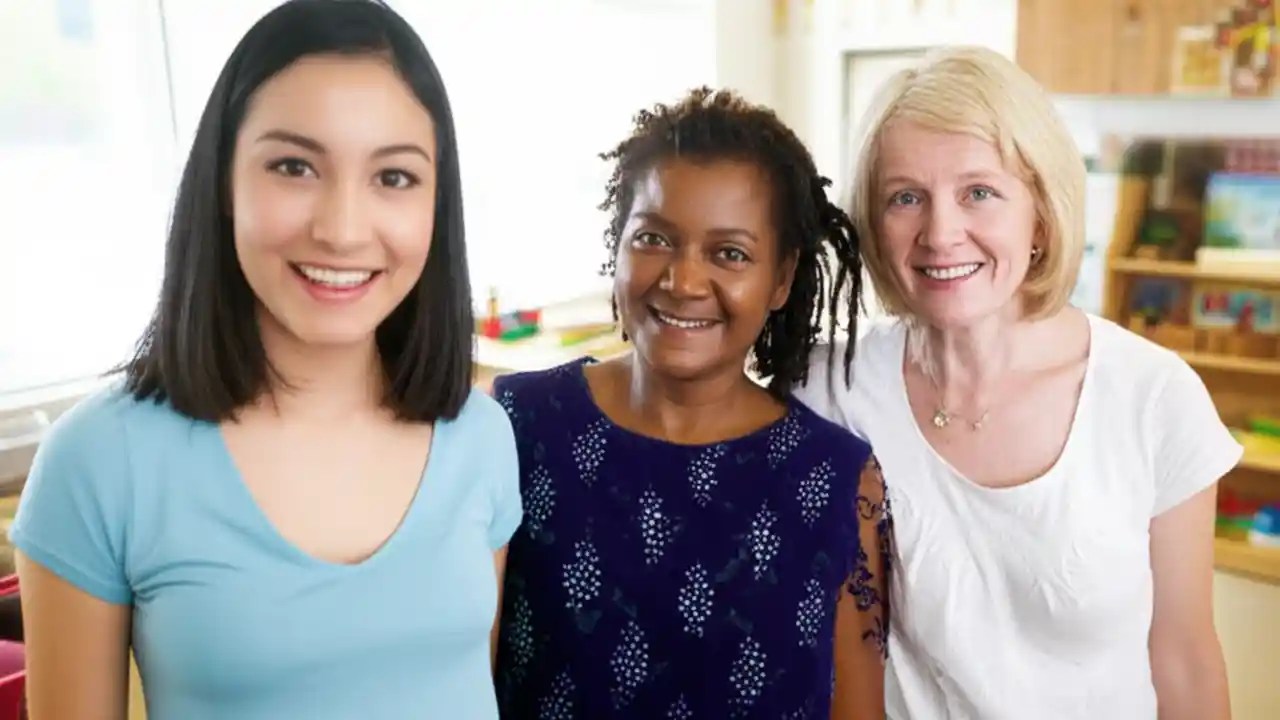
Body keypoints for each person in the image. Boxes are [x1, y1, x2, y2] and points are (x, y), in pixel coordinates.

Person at [9, 2, 521, 718]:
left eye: (394, 177)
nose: (342, 230)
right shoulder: (100, 461)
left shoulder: (480, 436)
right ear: (223, 181)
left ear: (439, 201)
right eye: (294, 166)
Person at [796, 46, 1239, 720]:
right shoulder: (834, 389)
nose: (940, 233)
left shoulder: (1153, 397)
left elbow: (1185, 660)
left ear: (1039, 212)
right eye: (906, 197)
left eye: (979, 191)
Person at [490, 87, 890, 719]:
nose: (682, 281)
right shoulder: (517, 427)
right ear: (615, 245)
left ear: (781, 279)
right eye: (653, 239)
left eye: (729, 253)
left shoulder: (836, 478)